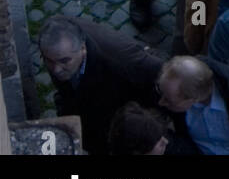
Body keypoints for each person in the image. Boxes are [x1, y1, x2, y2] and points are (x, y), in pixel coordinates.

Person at [39, 17, 164, 156]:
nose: (56, 69)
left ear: (83, 49)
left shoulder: (122, 61)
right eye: (48, 60)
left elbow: (159, 73)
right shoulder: (55, 39)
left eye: (64, 61)